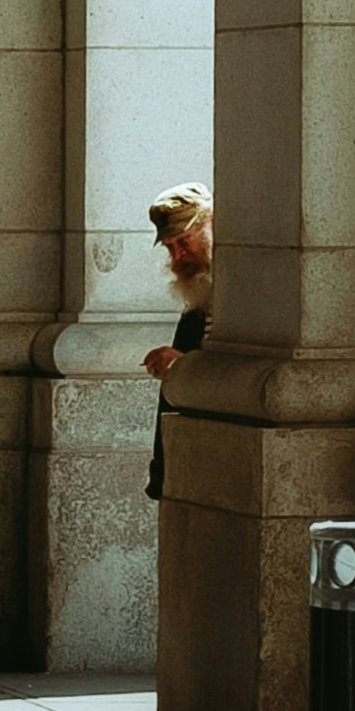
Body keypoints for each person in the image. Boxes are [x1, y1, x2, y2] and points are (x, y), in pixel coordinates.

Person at [140, 181, 210, 504]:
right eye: (170, 247)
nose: (178, 256)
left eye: (184, 242)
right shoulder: (197, 300)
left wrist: (181, 365)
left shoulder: (237, 291)